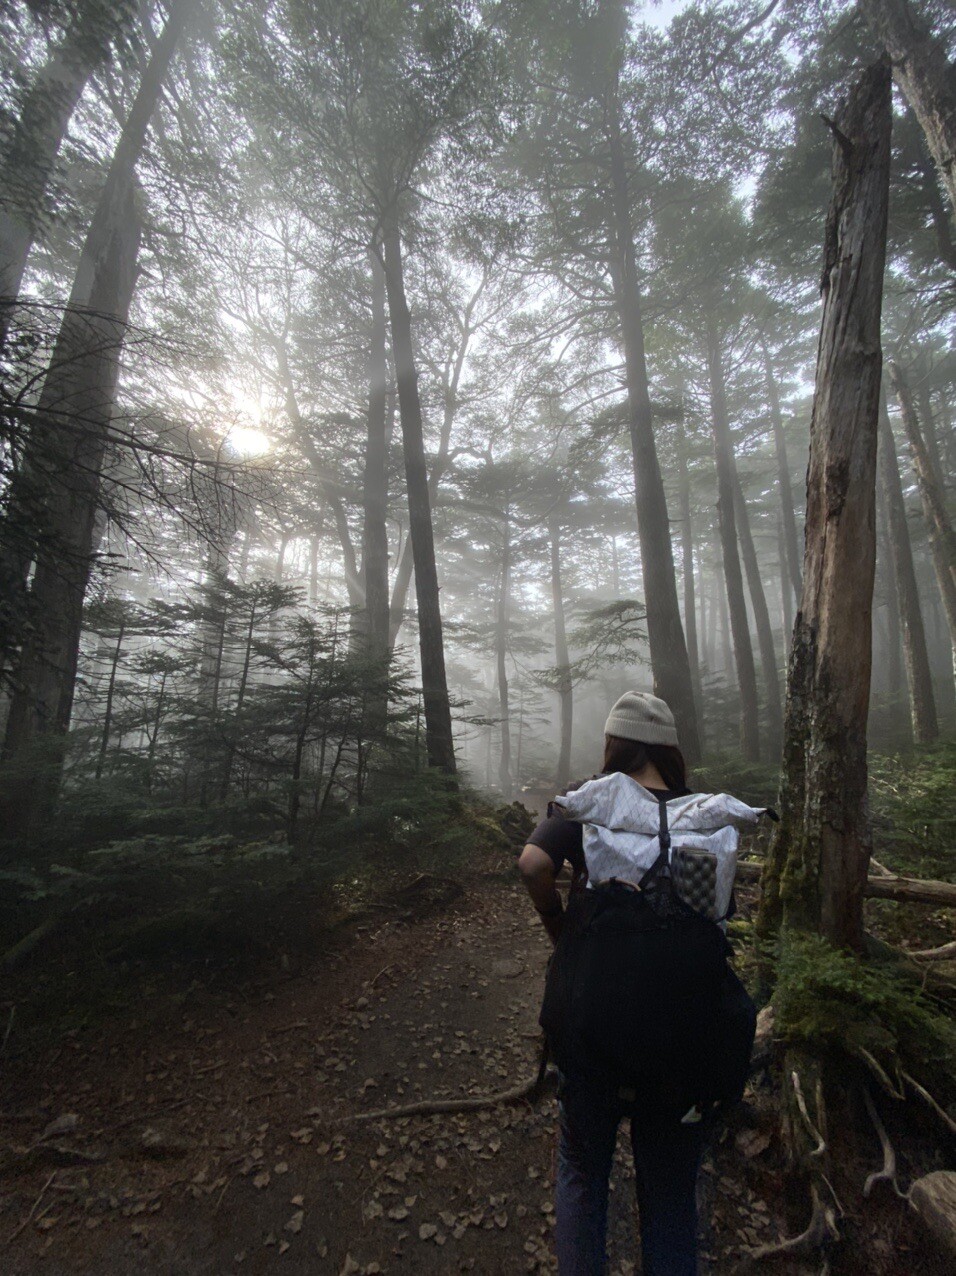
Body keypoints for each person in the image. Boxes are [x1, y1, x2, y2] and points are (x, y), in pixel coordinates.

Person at [518, 691, 760, 1276]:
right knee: (671, 1195)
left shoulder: (597, 801)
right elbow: (716, 916)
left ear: (613, 744)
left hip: (594, 1027)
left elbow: (531, 863)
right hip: (682, 1043)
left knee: (582, 1174)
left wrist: (561, 925)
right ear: (670, 749)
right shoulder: (701, 814)